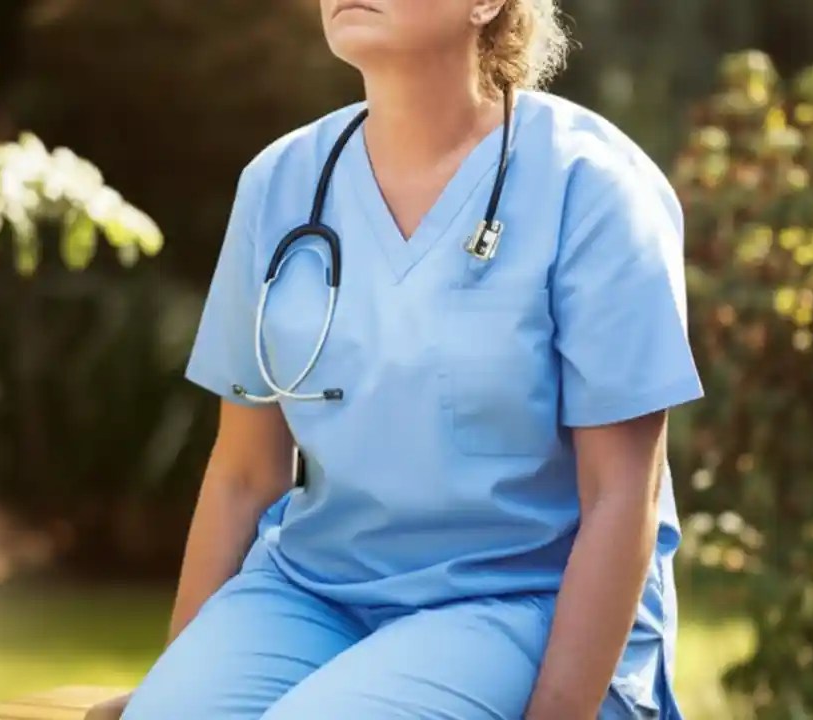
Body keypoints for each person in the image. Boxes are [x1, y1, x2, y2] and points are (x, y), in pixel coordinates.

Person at [109, 1, 704, 717]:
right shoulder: (281, 184)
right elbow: (243, 475)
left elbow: (621, 497)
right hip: (314, 589)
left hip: (519, 603)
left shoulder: (593, 186)